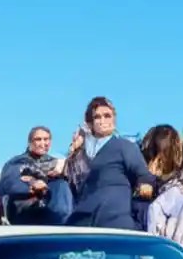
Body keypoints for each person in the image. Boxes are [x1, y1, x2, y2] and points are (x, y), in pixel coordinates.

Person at [64, 96, 155, 230]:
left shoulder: (124, 146)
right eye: (97, 117)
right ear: (89, 123)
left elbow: (144, 175)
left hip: (115, 222)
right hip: (82, 223)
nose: (103, 121)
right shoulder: (80, 154)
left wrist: (145, 186)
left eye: (107, 116)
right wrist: (74, 151)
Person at [0, 126, 73, 225]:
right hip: (25, 214)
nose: (42, 143)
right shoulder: (18, 162)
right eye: (38, 139)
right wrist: (32, 185)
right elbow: (10, 183)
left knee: (61, 184)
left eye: (46, 139)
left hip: (52, 213)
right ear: (30, 142)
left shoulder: (56, 164)